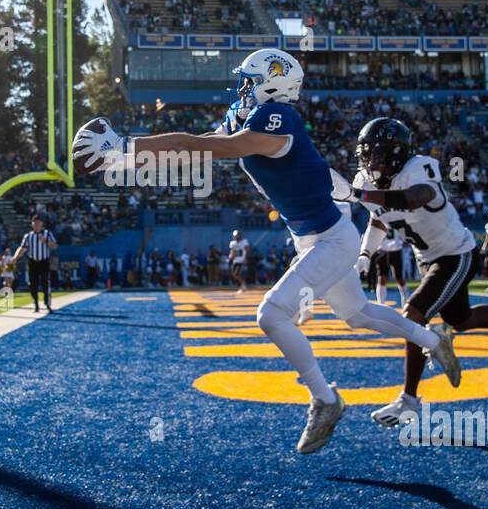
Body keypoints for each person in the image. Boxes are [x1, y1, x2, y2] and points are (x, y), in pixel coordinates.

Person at [74, 49, 458, 455]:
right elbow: (198, 146)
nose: (242, 89)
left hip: (332, 238)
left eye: (249, 81)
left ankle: (326, 400)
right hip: (316, 236)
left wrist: (126, 145)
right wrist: (124, 156)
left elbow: (220, 149)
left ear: (273, 82)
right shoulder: (250, 116)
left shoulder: (280, 117)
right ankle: (432, 340)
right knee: (357, 314)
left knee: (271, 314)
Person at [348, 118, 488, 428]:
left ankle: (409, 400)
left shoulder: (419, 167)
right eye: (368, 154)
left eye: (378, 153)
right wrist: (365, 253)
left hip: (455, 254)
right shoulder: (365, 182)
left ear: (397, 152)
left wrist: (359, 196)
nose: (371, 161)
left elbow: (414, 197)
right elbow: (379, 219)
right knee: (462, 320)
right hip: (426, 258)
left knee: (413, 315)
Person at [12, 215, 57, 313]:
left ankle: (47, 303)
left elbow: (54, 246)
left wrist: (45, 240)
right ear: (32, 224)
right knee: (33, 284)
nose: (36, 225)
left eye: (38, 223)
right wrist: (15, 257)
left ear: (42, 224)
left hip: (44, 261)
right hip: (32, 262)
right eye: (35, 223)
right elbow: (22, 248)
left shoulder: (47, 233)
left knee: (46, 282)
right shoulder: (28, 236)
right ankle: (36, 304)